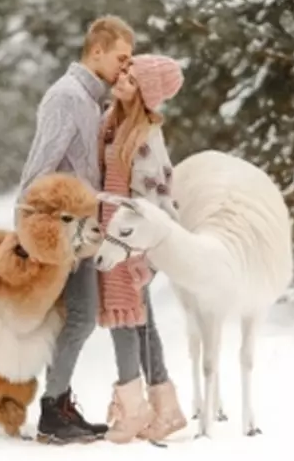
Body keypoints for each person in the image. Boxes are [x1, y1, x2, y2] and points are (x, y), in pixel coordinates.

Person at [18, 15, 134, 444]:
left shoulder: (93, 101)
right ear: (97, 50)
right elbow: (37, 169)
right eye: (121, 57)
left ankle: (59, 404)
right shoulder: (65, 97)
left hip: (84, 231)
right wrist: (30, 232)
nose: (125, 66)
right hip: (61, 230)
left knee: (79, 317)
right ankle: (51, 409)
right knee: (79, 317)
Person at [96, 54, 187, 444]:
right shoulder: (111, 122)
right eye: (125, 73)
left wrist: (142, 257)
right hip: (110, 232)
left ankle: (133, 410)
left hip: (128, 240)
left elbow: (159, 203)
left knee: (124, 320)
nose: (121, 80)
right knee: (142, 323)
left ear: (145, 95)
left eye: (132, 80)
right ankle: (165, 409)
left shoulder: (147, 138)